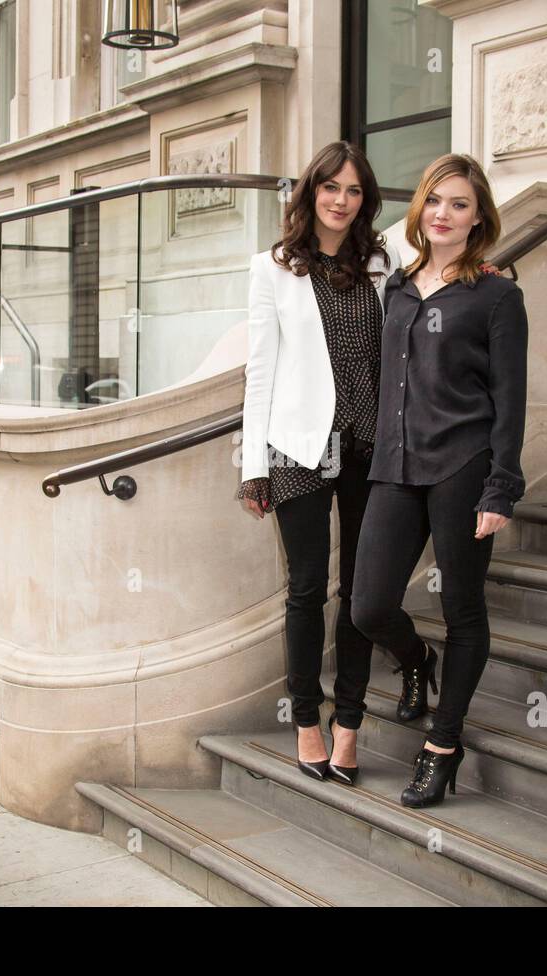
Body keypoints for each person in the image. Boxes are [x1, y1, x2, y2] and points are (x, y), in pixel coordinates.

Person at [351, 153, 528, 808]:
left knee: (463, 608)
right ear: (419, 209)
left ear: (478, 216)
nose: (444, 214)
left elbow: (511, 398)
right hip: (396, 466)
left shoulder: (497, 294)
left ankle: (443, 746)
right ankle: (416, 662)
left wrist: (500, 486)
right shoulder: (396, 288)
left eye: (459, 203)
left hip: (463, 463)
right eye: (434, 201)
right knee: (368, 605)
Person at [237, 141, 402, 785]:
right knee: (306, 589)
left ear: (366, 201)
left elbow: (452, 260)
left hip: (370, 447)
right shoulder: (274, 268)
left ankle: (350, 724)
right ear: (311, 192)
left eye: (354, 190)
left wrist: (493, 273)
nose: (341, 200)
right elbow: (261, 374)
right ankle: (306, 719)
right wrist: (255, 466)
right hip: (300, 447)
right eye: (330, 187)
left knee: (360, 593)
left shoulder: (383, 261)